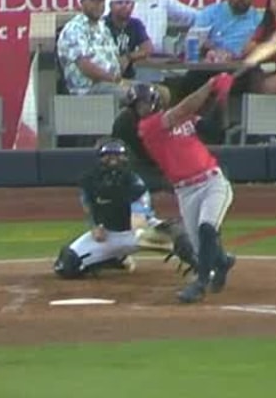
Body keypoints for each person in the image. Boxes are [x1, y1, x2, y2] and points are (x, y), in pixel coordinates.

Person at [130, 77, 238, 304]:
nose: (141, 108)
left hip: (212, 182)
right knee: (200, 249)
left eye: (143, 103)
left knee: (207, 228)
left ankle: (199, 284)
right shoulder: (147, 128)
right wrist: (209, 86)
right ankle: (223, 262)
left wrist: (221, 97)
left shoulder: (184, 119)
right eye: (137, 106)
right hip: (185, 192)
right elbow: (183, 109)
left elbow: (213, 129)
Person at [52, 138, 197, 279]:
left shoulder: (134, 184)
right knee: (67, 264)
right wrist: (94, 226)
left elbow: (138, 221)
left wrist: (144, 236)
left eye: (117, 156)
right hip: (110, 233)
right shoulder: (89, 182)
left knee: (183, 240)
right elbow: (89, 208)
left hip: (138, 231)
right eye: (108, 156)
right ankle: (115, 259)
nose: (113, 161)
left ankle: (204, 266)